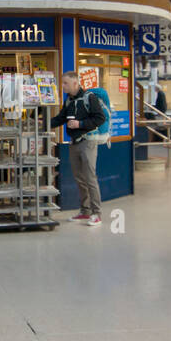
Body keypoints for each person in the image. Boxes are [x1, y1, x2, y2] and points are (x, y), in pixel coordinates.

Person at [51, 71, 109, 227]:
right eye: (62, 83)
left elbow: (100, 118)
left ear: (76, 83)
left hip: (88, 142)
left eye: (65, 83)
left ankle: (97, 214)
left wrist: (80, 124)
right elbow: (60, 118)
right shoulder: (69, 100)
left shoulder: (89, 98)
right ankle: (85, 211)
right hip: (74, 143)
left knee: (90, 178)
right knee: (79, 178)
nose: (63, 86)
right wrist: (40, 124)